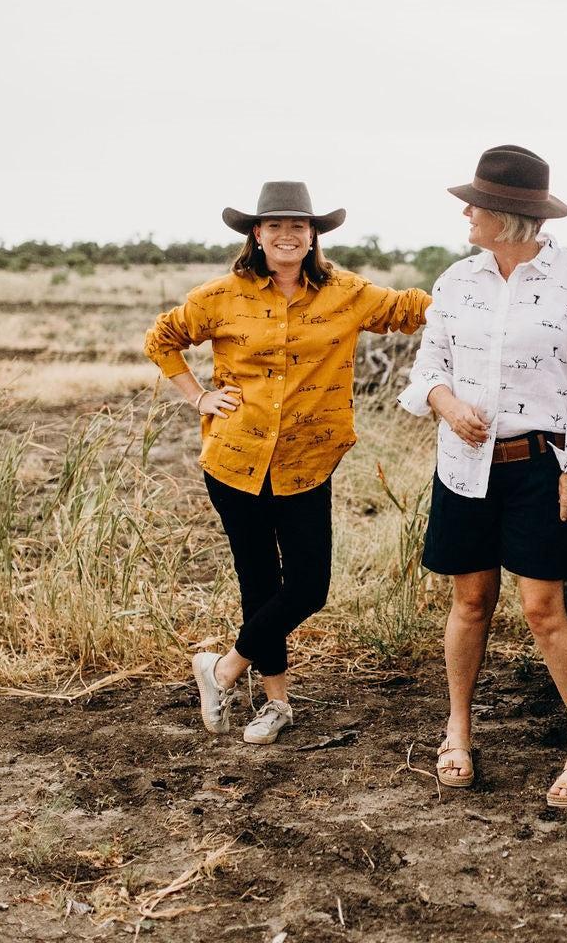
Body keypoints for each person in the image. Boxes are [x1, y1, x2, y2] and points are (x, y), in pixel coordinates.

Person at [145, 182, 430, 745]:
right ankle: (275, 705)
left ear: (313, 235)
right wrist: (199, 396)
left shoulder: (346, 293)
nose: (286, 234)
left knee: (307, 586)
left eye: (298, 226)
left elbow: (408, 310)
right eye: (274, 225)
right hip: (234, 461)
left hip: (307, 462)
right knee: (259, 582)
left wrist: (479, 292)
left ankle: (222, 669)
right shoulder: (219, 297)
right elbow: (162, 339)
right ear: (256, 234)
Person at [399, 145, 567, 807]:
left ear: (508, 215)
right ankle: (457, 731)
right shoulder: (456, 280)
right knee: (470, 602)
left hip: (541, 469)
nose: (466, 212)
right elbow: (425, 368)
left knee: (543, 608)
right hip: (465, 468)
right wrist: (447, 403)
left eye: (477, 203)